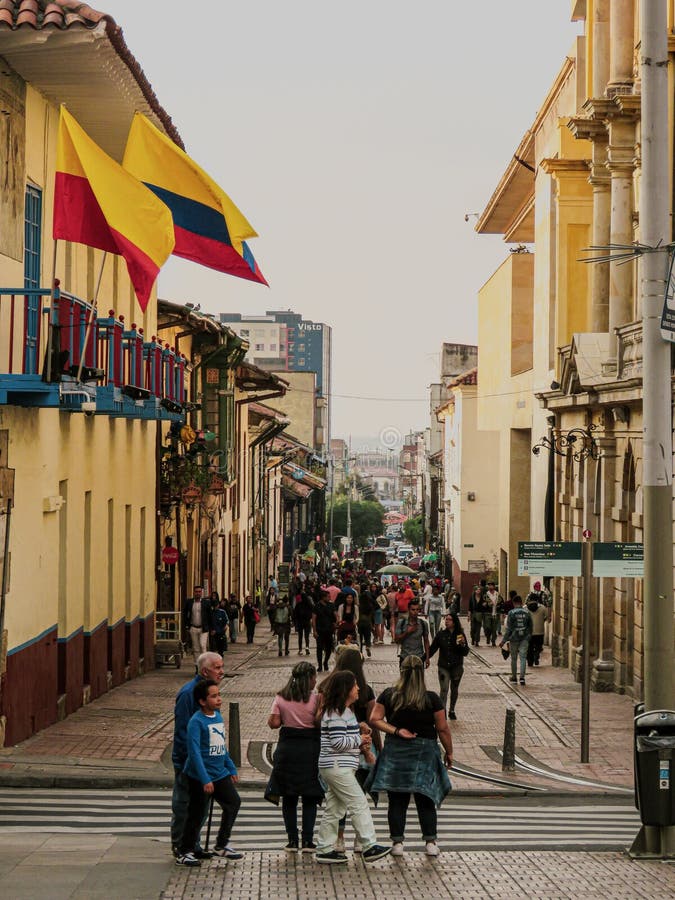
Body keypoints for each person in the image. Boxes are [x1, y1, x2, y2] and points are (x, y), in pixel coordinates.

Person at [367, 655, 453, 857]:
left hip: (396, 751)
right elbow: (442, 729)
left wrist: (396, 730)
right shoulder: (431, 698)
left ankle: (397, 842)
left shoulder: (389, 695)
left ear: (401, 671)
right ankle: (430, 842)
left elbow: (374, 719)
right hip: (424, 753)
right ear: (422, 673)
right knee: (425, 797)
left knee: (397, 798)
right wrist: (449, 751)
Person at [314, 670, 391, 864]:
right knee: (358, 802)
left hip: (337, 765)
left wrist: (358, 727)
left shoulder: (342, 712)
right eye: (355, 685)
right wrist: (360, 738)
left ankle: (324, 848)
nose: (358, 688)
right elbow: (338, 742)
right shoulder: (336, 713)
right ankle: (369, 845)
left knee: (335, 808)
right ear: (346, 689)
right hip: (337, 765)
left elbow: (340, 733)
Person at [176, 679, 243, 865]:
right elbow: (194, 752)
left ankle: (221, 844)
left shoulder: (218, 716)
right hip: (199, 775)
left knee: (233, 803)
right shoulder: (196, 722)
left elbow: (221, 744)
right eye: (213, 696)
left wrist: (230, 767)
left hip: (219, 772)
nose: (219, 699)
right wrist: (204, 778)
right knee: (196, 813)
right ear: (202, 701)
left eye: (219, 695)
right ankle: (184, 850)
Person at [170, 651, 224, 859]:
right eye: (217, 667)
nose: (221, 671)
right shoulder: (188, 694)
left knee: (201, 806)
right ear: (204, 671)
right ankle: (181, 845)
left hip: (206, 760)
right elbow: (183, 731)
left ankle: (193, 844)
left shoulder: (209, 692)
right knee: (184, 803)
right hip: (188, 760)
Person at [266, 662, 323, 851]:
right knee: (310, 796)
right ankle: (307, 840)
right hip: (310, 749)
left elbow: (273, 723)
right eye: (314, 677)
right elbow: (320, 723)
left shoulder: (281, 697)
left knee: (289, 797)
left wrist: (286, 717)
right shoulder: (316, 699)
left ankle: (292, 840)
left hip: (287, 749)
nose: (316, 681)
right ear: (309, 678)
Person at [331, 646, 382, 853]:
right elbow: (373, 722)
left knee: (340, 796)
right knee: (358, 796)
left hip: (340, 748)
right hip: (363, 748)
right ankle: (360, 839)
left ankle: (339, 838)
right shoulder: (366, 690)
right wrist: (379, 748)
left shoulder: (331, 688)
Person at [428, 612, 469, 720]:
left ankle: (452, 709)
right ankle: (443, 712)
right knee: (444, 689)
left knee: (454, 689)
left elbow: (465, 652)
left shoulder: (459, 635)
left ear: (454, 622)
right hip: (444, 666)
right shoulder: (441, 634)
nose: (446, 621)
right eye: (446, 619)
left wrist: (462, 645)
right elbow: (433, 649)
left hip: (456, 666)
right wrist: (424, 658)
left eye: (449, 620)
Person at [499, 595, 532, 685]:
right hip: (524, 638)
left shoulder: (511, 613)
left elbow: (509, 629)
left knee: (514, 658)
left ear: (514, 603)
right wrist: (528, 636)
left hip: (514, 638)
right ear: (521, 603)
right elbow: (530, 627)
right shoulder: (527, 613)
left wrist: (503, 641)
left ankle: (514, 677)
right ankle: (522, 678)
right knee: (523, 658)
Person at [394, 599, 430, 668]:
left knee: (418, 678)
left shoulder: (423, 624)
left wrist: (427, 658)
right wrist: (407, 632)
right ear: (408, 610)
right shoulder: (402, 623)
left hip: (419, 657)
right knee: (405, 679)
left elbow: (426, 641)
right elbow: (396, 640)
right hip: (405, 656)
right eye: (413, 610)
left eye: (417, 610)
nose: (415, 612)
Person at [183, 586, 212, 666]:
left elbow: (210, 616)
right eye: (196, 591)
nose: (198, 593)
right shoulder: (189, 602)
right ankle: (197, 665)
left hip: (203, 628)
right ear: (194, 592)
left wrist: (212, 628)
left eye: (199, 592)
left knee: (203, 646)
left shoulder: (206, 603)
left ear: (201, 593)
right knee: (195, 648)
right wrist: (186, 625)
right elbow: (185, 614)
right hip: (193, 627)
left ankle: (205, 665)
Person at [312, 589, 338, 672]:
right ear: (323, 597)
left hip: (329, 630)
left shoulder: (331, 605)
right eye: (328, 597)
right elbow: (314, 619)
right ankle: (320, 665)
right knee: (319, 648)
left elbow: (336, 615)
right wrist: (314, 631)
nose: (330, 598)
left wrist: (336, 622)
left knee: (329, 648)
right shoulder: (316, 606)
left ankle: (325, 662)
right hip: (320, 630)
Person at [526, 594, 548, 667]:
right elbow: (547, 617)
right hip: (540, 631)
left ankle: (530, 661)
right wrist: (542, 620)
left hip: (528, 632)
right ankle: (536, 655)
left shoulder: (525, 608)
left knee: (529, 647)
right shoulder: (542, 608)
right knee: (538, 646)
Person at [293, 590, 314, 656]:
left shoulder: (299, 604)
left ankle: (300, 649)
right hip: (307, 622)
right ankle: (307, 647)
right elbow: (312, 612)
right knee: (306, 636)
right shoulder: (309, 605)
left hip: (300, 622)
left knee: (300, 636)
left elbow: (295, 614)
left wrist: (295, 621)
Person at [356, 585, 375, 657]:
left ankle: (360, 651)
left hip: (360, 622)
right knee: (367, 636)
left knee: (360, 636)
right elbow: (372, 616)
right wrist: (372, 625)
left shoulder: (359, 606)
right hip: (367, 622)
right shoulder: (370, 606)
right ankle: (367, 646)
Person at [483, 581, 503, 647]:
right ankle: (488, 636)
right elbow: (482, 604)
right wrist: (486, 604)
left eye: (491, 585)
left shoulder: (498, 594)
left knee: (494, 629)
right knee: (488, 627)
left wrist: (500, 609)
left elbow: (501, 603)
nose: (490, 586)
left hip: (495, 613)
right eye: (489, 585)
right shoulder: (485, 595)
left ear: (494, 587)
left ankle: (493, 641)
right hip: (488, 613)